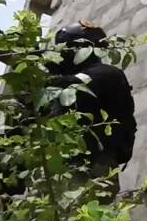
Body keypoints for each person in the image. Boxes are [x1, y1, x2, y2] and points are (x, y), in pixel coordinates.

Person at [48, 21, 137, 190]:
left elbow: (74, 84)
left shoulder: (105, 73)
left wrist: (42, 71)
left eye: (67, 49)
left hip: (95, 164)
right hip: (65, 164)